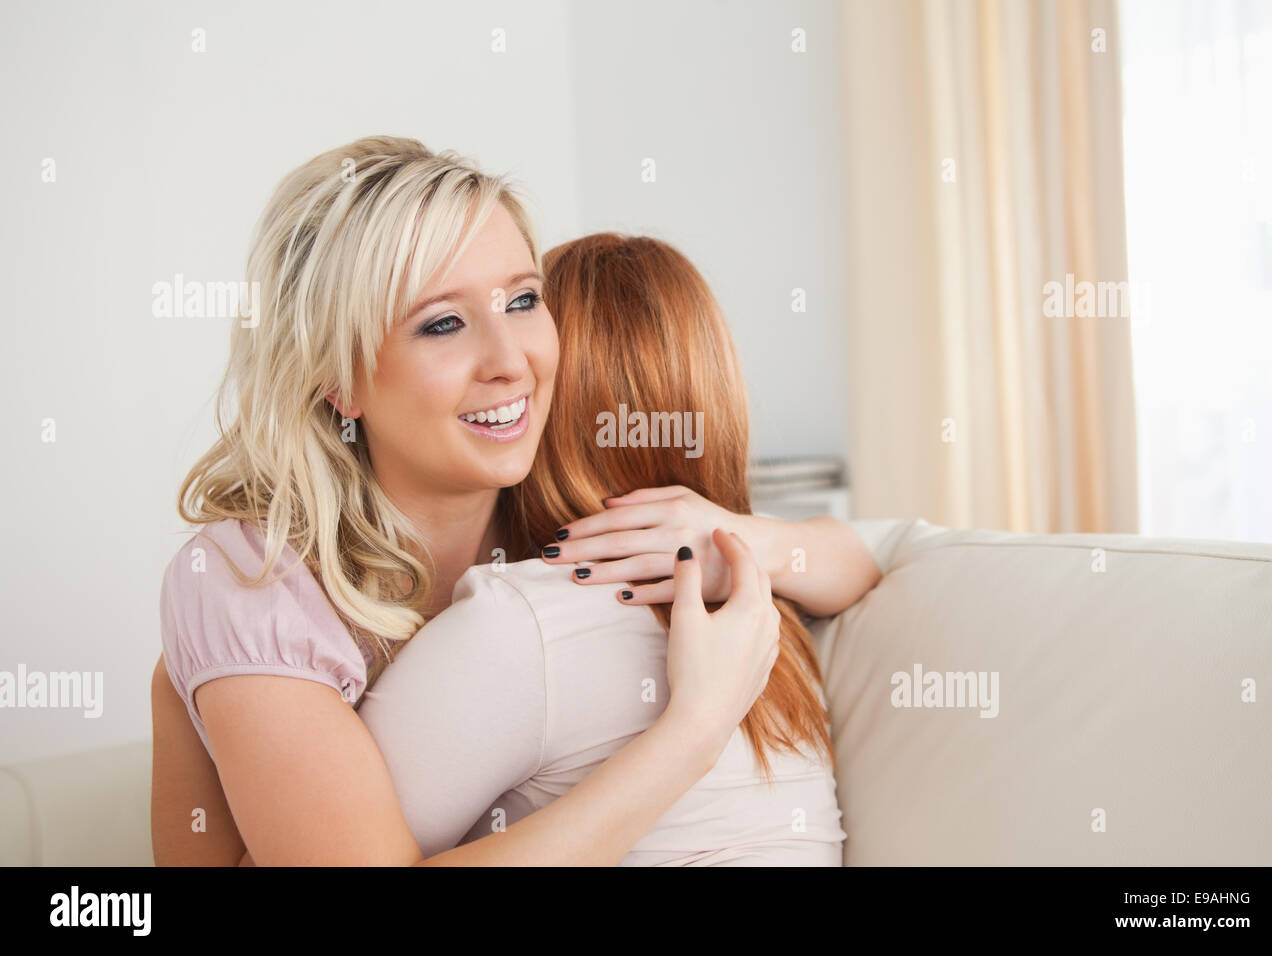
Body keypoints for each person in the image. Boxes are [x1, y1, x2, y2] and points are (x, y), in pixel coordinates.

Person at [152, 136, 880, 865]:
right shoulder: (255, 584)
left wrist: (724, 540)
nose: (511, 361)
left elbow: (862, 561)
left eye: (524, 301)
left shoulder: (550, 517)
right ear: (337, 379)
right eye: (442, 323)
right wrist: (694, 730)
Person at [359, 233, 856, 865]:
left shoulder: (517, 628)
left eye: (523, 312)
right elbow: (869, 557)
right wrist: (742, 541)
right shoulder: (770, 610)